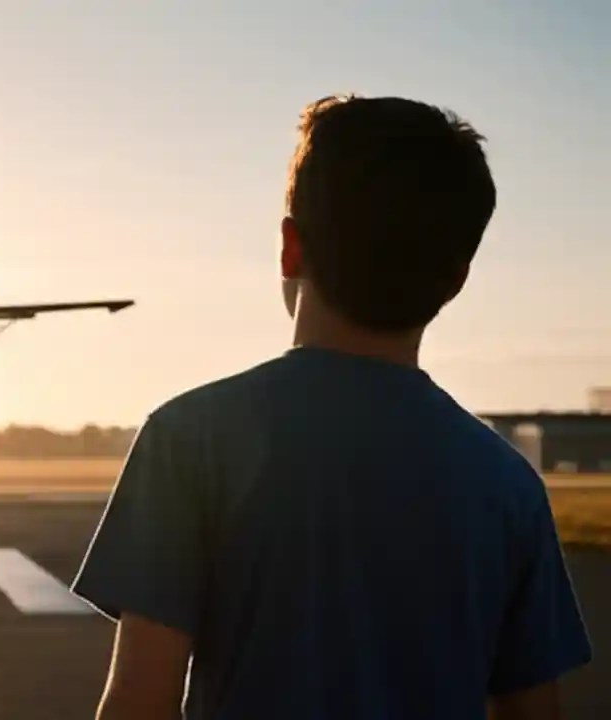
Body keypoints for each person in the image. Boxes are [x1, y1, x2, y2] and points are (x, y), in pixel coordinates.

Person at [70, 94, 593, 719]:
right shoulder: (509, 484)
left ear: (290, 248)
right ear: (457, 280)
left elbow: (140, 700)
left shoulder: (190, 438)